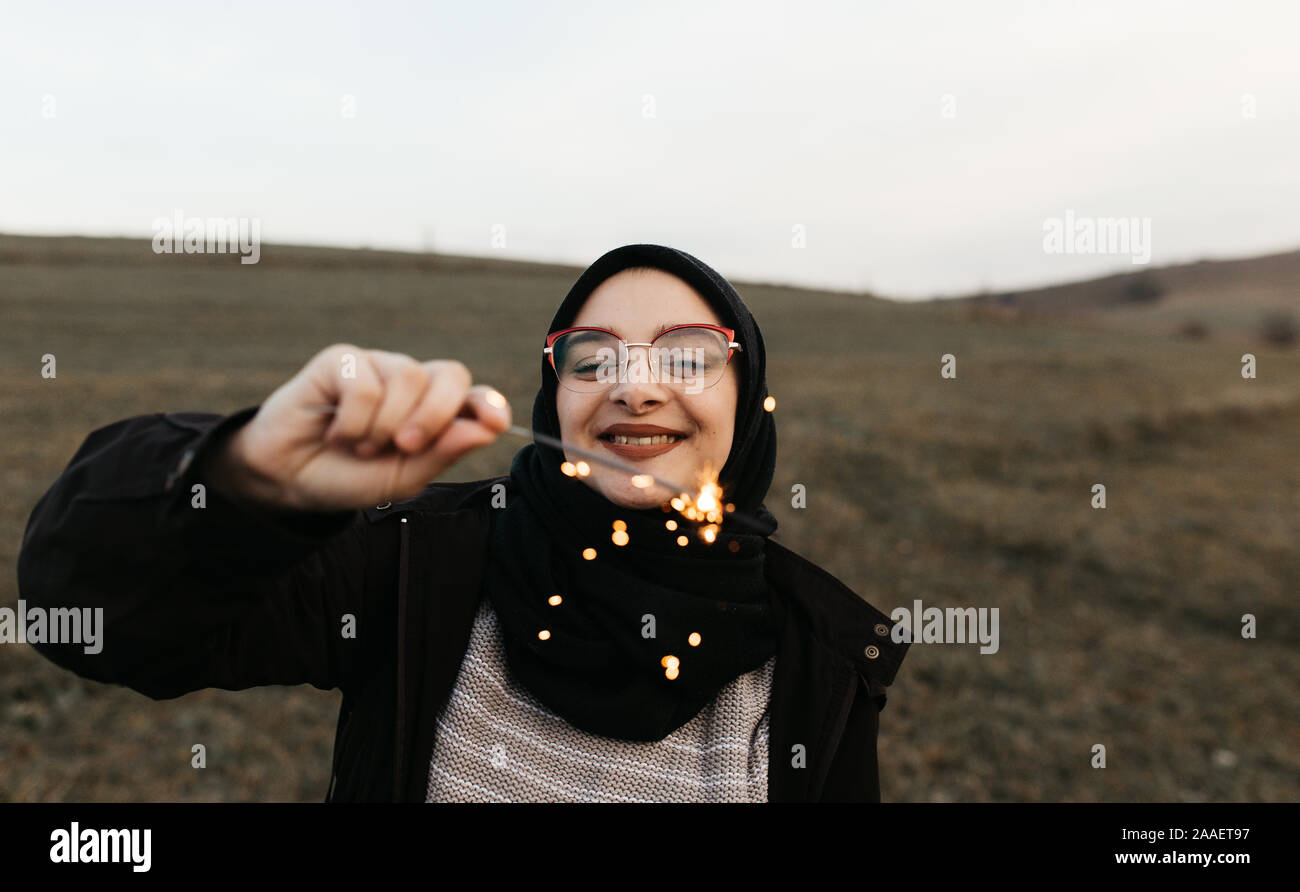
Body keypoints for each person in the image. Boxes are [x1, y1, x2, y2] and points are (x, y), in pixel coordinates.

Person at [18, 243, 909, 802]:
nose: (636, 385)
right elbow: (100, 621)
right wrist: (247, 476)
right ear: (552, 395)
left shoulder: (819, 663)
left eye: (688, 355)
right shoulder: (419, 559)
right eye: (592, 358)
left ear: (749, 399)